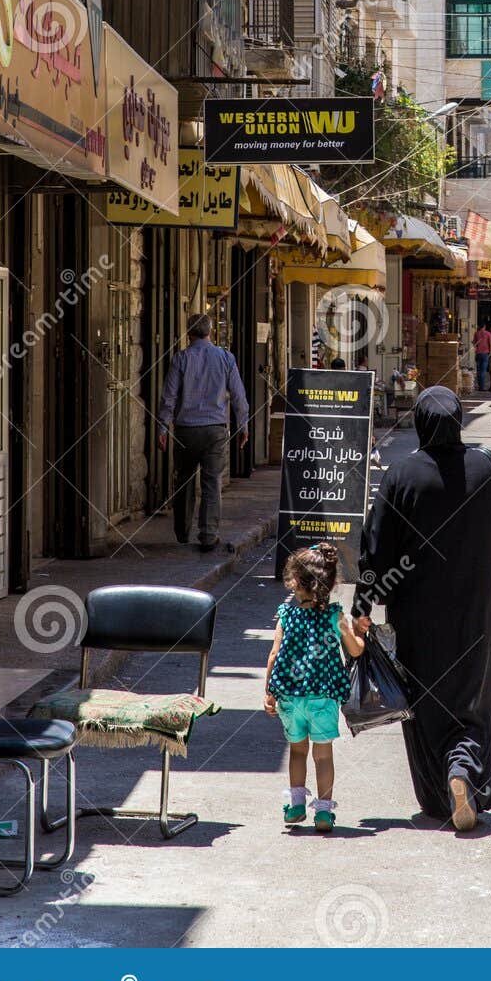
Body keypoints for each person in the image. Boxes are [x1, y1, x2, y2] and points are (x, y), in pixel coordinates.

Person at [353, 386, 491, 832]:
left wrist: (362, 603)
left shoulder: (401, 475)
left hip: (418, 619)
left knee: (426, 704)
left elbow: (376, 547)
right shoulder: (487, 466)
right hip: (478, 614)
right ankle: (463, 771)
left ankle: (438, 792)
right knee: (474, 699)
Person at [265, 545, 364, 833]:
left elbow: (274, 654)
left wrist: (269, 693)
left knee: (297, 752)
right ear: (331, 584)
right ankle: (323, 812)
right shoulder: (336, 617)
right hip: (324, 698)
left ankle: (296, 805)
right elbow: (355, 651)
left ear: (294, 582)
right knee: (323, 755)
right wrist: (361, 636)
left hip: (291, 698)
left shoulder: (286, 615)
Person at [158, 313, 250, 551]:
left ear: (189, 333)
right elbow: (239, 397)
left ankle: (182, 533)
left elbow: (169, 397)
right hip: (215, 431)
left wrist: (162, 427)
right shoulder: (225, 358)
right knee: (212, 483)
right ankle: (208, 534)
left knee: (183, 481)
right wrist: (243, 425)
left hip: (186, 430)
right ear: (211, 332)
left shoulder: (181, 359)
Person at [473, 324, 491, 392]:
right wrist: (490, 353)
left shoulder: (476, 333)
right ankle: (482, 387)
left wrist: (476, 349)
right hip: (485, 354)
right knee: (483, 371)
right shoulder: (488, 334)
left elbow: (474, 343)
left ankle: (480, 386)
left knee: (479, 370)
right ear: (484, 327)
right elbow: (490, 344)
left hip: (478, 354)